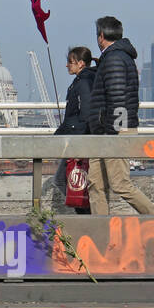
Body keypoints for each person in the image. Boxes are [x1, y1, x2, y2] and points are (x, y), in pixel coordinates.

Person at [85, 16, 154, 215]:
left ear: (101, 36)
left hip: (114, 131)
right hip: (105, 132)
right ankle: (101, 232)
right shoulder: (114, 57)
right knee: (95, 183)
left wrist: (112, 134)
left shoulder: (115, 58)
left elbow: (118, 98)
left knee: (120, 184)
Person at [52, 46, 96, 214]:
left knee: (62, 180)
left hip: (77, 140)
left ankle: (84, 216)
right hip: (76, 138)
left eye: (70, 62)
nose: (67, 65)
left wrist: (78, 143)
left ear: (81, 63)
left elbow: (84, 114)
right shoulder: (82, 80)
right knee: (70, 180)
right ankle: (84, 214)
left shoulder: (83, 83)